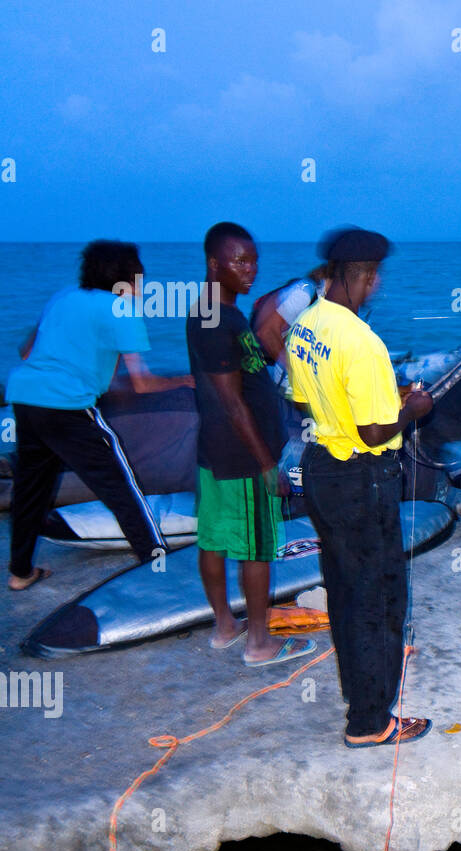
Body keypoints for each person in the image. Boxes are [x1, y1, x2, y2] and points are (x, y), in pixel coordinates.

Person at [286, 227, 435, 747]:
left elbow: (307, 399)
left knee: (346, 591)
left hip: (321, 467)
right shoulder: (363, 341)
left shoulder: (304, 324)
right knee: (379, 597)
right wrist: (413, 408)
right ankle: (370, 722)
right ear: (365, 276)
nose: (377, 286)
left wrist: (381, 393)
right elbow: (376, 431)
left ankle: (360, 694)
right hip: (363, 479)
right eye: (376, 278)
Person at [4, 240, 190, 591]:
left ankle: (20, 572)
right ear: (129, 279)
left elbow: (26, 351)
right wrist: (184, 380)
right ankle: (159, 571)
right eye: (141, 278)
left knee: (31, 488)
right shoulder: (122, 310)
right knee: (123, 487)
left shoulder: (64, 297)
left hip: (26, 399)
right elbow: (144, 384)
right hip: (70, 408)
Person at [187, 222, 313, 667]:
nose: (251, 269)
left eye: (254, 259)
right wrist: (266, 464)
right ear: (214, 263)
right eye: (240, 260)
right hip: (242, 456)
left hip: (215, 452)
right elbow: (231, 400)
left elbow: (237, 376)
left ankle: (226, 628)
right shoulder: (216, 319)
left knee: (215, 539)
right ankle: (259, 644)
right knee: (255, 546)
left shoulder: (218, 310)